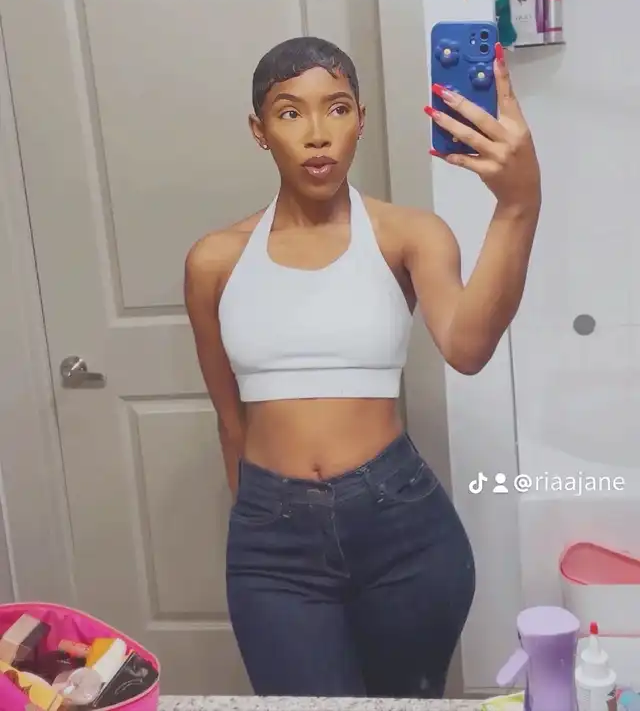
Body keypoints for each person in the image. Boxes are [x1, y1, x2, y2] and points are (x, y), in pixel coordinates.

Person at [184, 37, 541, 698]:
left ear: (361, 119)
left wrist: (518, 205)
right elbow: (230, 421)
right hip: (272, 543)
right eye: (290, 112)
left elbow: (468, 348)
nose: (318, 133)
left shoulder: (409, 235)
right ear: (260, 130)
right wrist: (268, 517)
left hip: (403, 528)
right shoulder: (214, 260)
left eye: (337, 107)